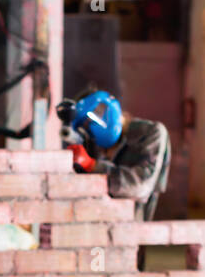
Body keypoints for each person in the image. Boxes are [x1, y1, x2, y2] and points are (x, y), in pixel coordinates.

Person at [63, 89, 170, 221]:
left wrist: (92, 165)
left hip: (132, 227)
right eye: (87, 123)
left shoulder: (151, 133)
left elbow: (139, 186)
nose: (93, 125)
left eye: (97, 114)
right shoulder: (92, 142)